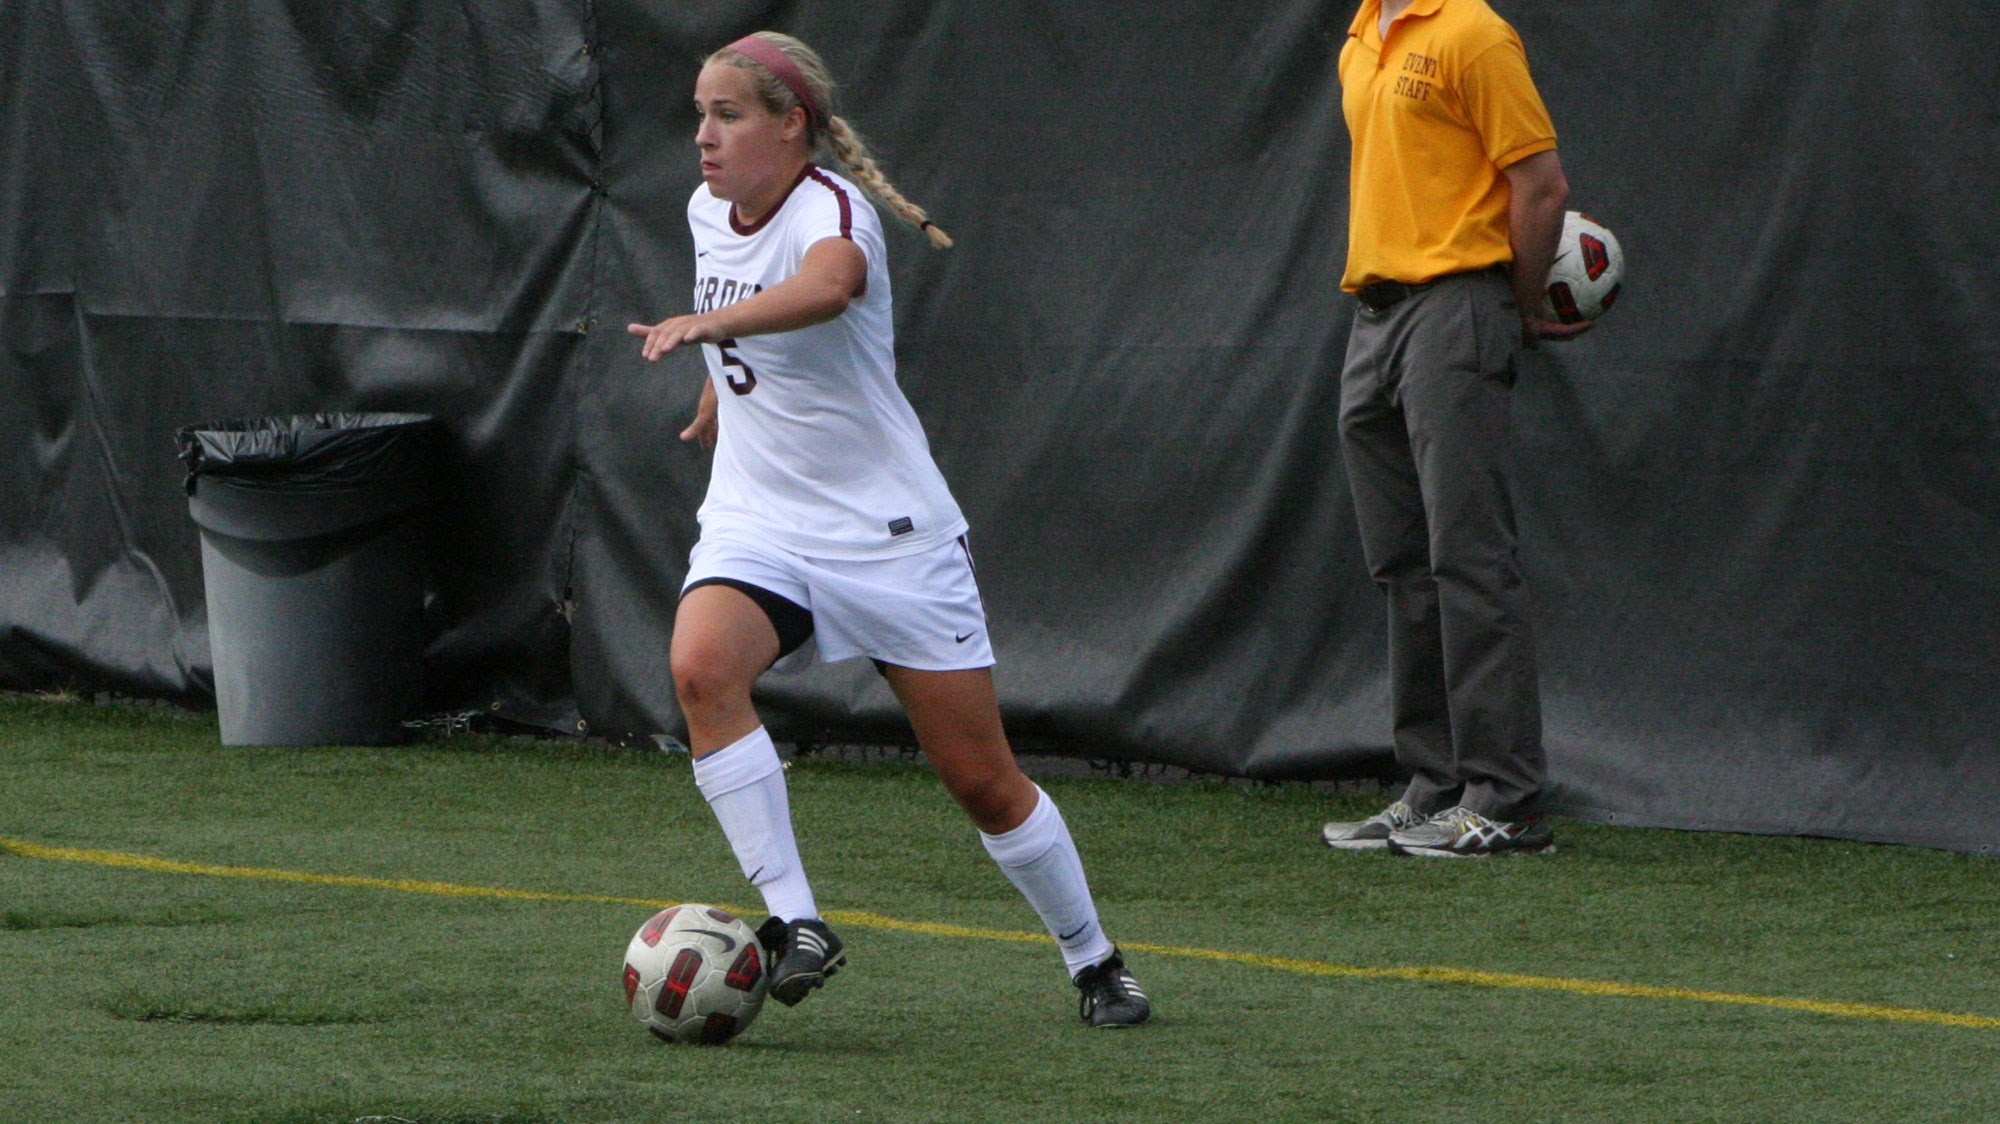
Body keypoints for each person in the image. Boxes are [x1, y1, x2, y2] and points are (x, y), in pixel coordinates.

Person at [627, 31, 1149, 1027]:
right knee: (700, 666)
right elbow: (734, 306)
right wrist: (715, 387)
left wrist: (710, 330)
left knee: (983, 782)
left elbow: (826, 288)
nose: (703, 136)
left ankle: (1093, 959)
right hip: (759, 515)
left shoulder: (836, 211)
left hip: (887, 533)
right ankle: (794, 921)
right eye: (698, 113)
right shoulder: (707, 208)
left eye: (727, 114)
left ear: (792, 125)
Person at [1318, 0, 1587, 858]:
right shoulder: (1360, 37)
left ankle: (1504, 796)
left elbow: (1541, 183)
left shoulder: (1473, 32)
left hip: (1457, 306)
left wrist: (1512, 308)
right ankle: (1435, 785)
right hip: (1374, 313)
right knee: (1402, 561)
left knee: (1469, 555)